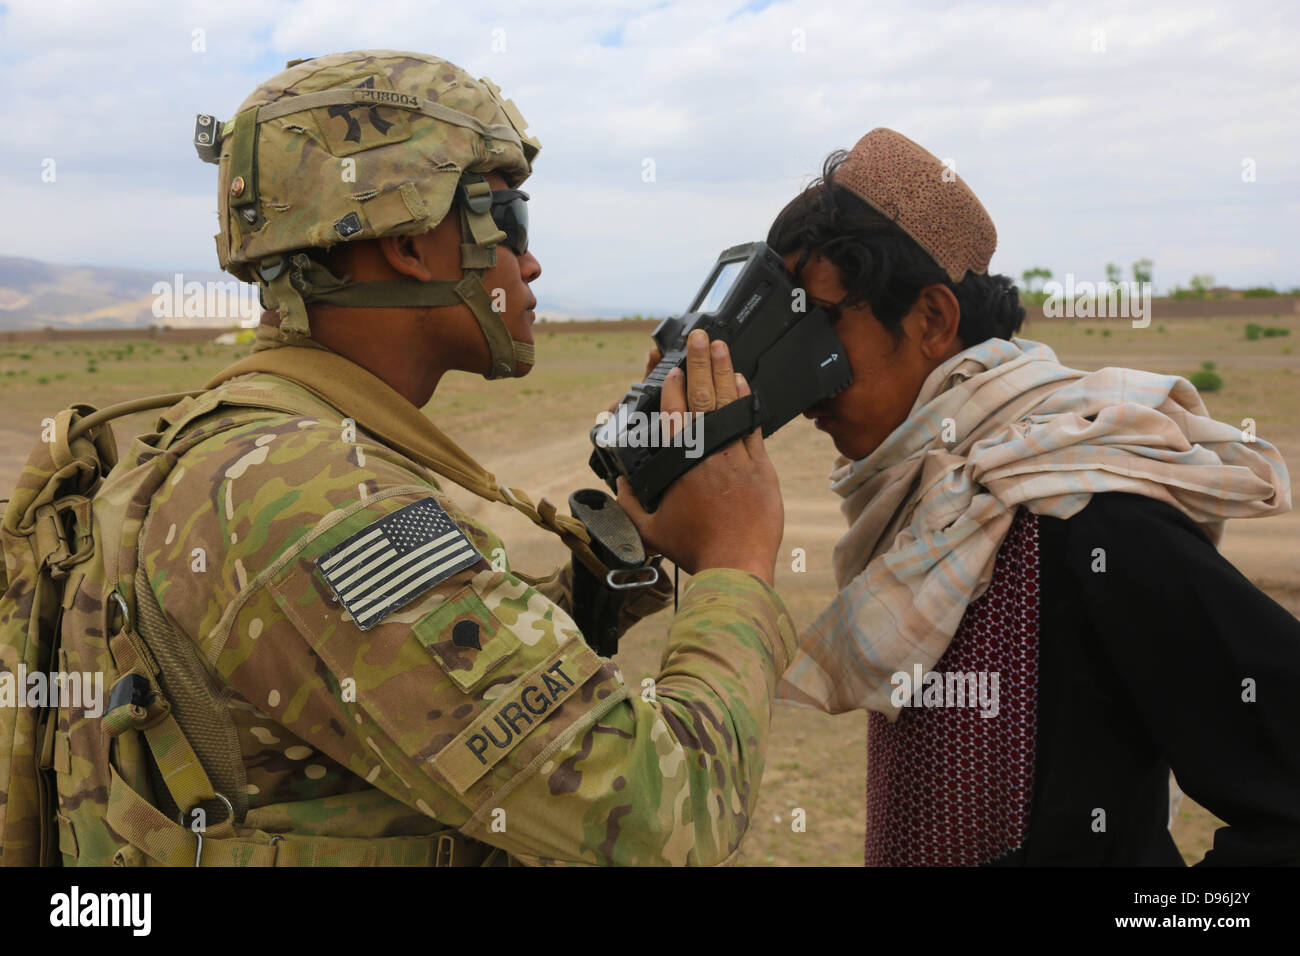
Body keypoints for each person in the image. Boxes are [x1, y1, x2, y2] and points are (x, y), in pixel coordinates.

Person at [51, 49, 794, 867]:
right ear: (408, 242)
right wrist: (737, 559)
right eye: (510, 221)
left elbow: (423, 666)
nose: (532, 263)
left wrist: (628, 550)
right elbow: (663, 814)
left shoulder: (253, 438)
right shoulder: (311, 498)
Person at [769, 128, 1300, 866]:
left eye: (824, 326)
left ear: (931, 320)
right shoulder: (925, 495)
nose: (806, 377)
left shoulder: (1083, 508)